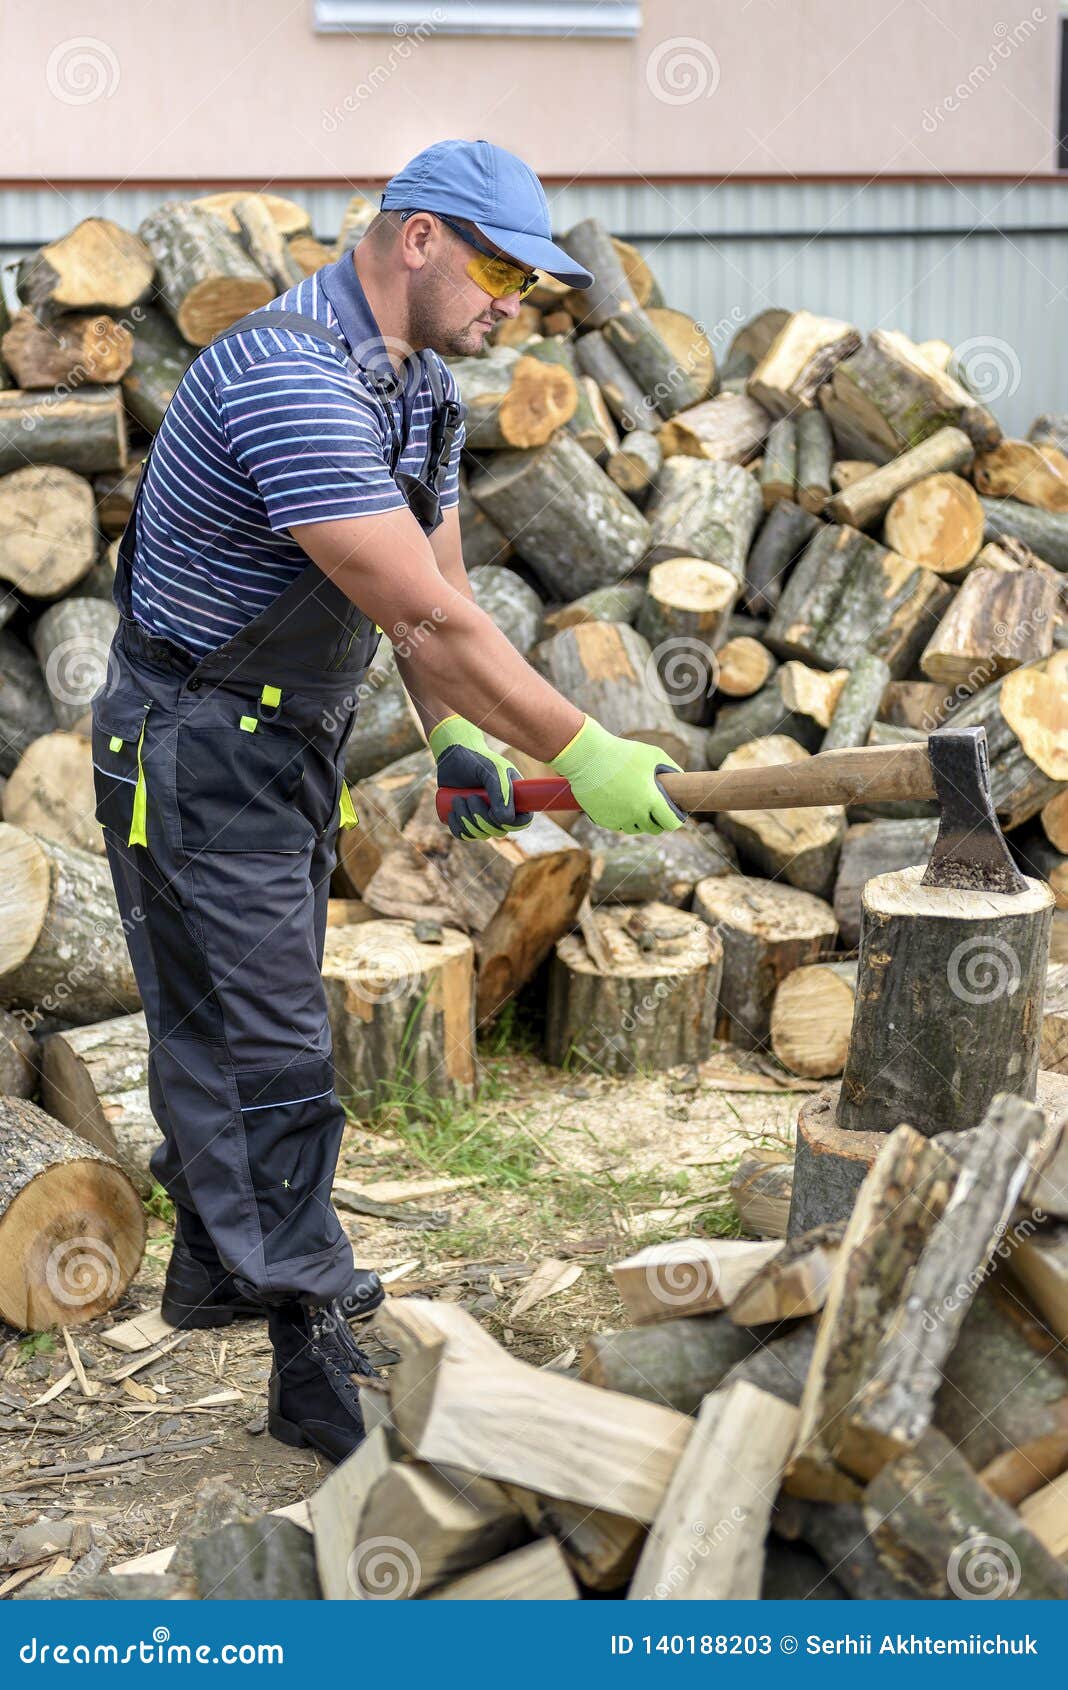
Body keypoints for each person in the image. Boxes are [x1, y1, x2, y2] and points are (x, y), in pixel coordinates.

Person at [92, 137, 685, 1464]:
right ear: (417, 236)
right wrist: (589, 749)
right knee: (271, 1042)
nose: (517, 309)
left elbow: (441, 610)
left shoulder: (417, 387)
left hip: (280, 733)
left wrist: (465, 745)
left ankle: (214, 1270)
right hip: (186, 739)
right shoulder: (290, 375)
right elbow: (416, 606)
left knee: (229, 1010)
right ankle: (313, 1344)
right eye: (500, 273)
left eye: (533, 290)